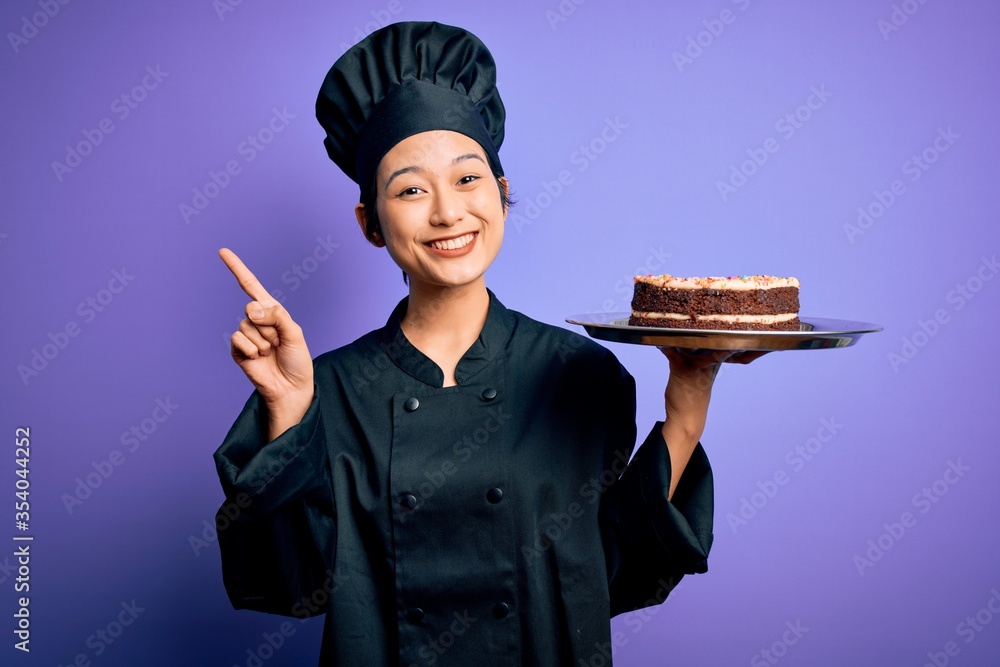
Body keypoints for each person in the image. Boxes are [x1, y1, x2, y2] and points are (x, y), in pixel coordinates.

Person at [213, 21, 766, 666]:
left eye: (468, 179)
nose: (447, 212)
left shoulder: (580, 374)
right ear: (370, 222)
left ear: (502, 194)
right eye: (411, 189)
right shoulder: (325, 392)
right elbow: (289, 585)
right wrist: (287, 410)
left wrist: (687, 406)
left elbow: (611, 571)